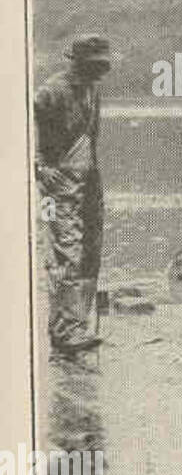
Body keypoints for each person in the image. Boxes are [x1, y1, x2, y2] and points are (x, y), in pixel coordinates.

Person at [34, 35, 112, 355]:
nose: (102, 70)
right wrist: (38, 166)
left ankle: (76, 322)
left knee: (91, 247)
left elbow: (90, 138)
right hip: (59, 181)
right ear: (79, 62)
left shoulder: (93, 90)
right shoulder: (51, 91)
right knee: (67, 250)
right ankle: (65, 330)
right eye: (96, 64)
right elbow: (20, 126)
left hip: (88, 178)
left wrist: (92, 178)